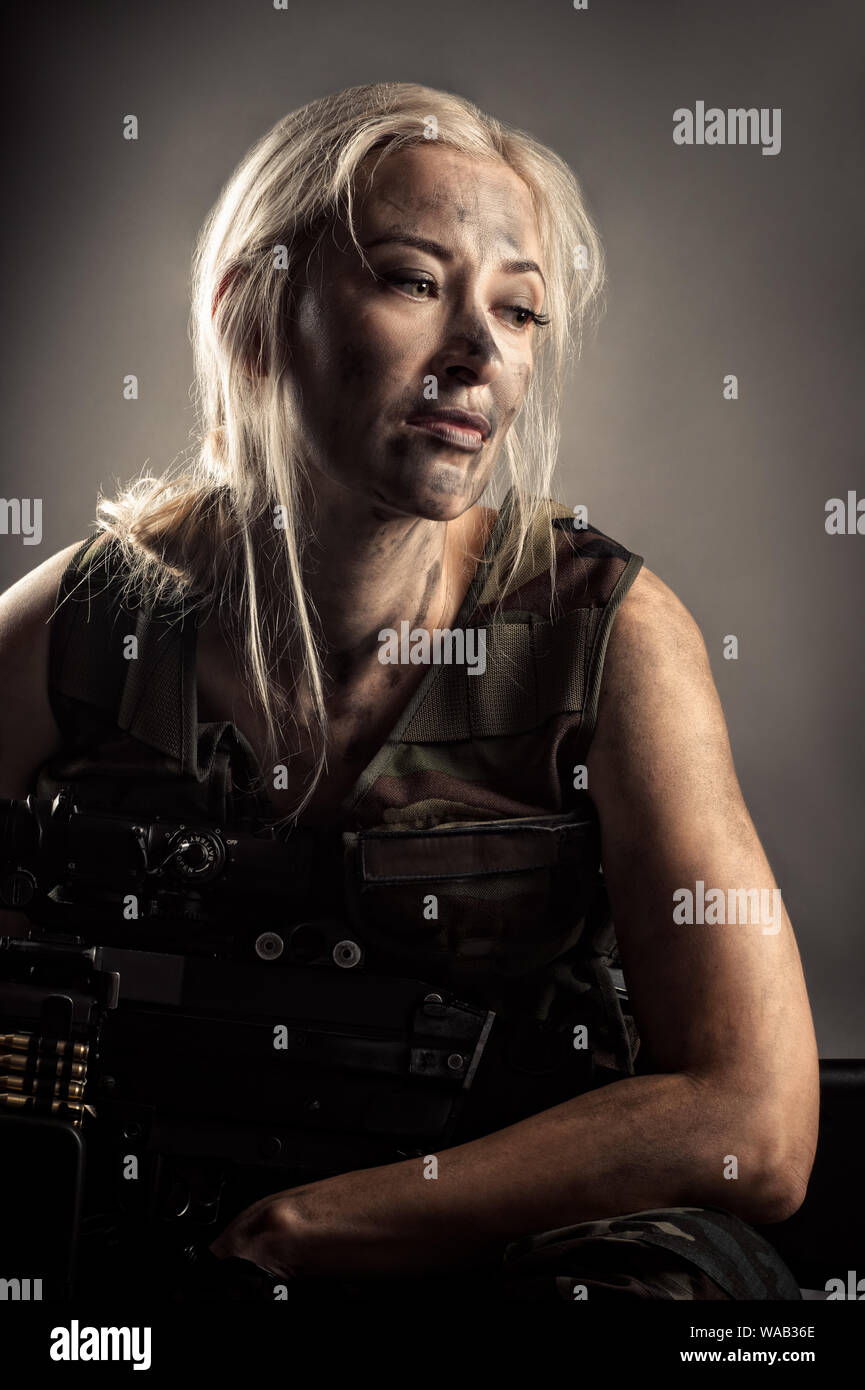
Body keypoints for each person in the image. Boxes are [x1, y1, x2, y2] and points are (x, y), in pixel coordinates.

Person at [0, 81, 818, 1301]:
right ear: (252, 316)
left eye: (520, 309)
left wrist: (321, 1224)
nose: (481, 353)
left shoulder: (608, 634)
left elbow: (757, 1118)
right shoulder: (76, 624)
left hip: (513, 1265)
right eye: (414, 281)